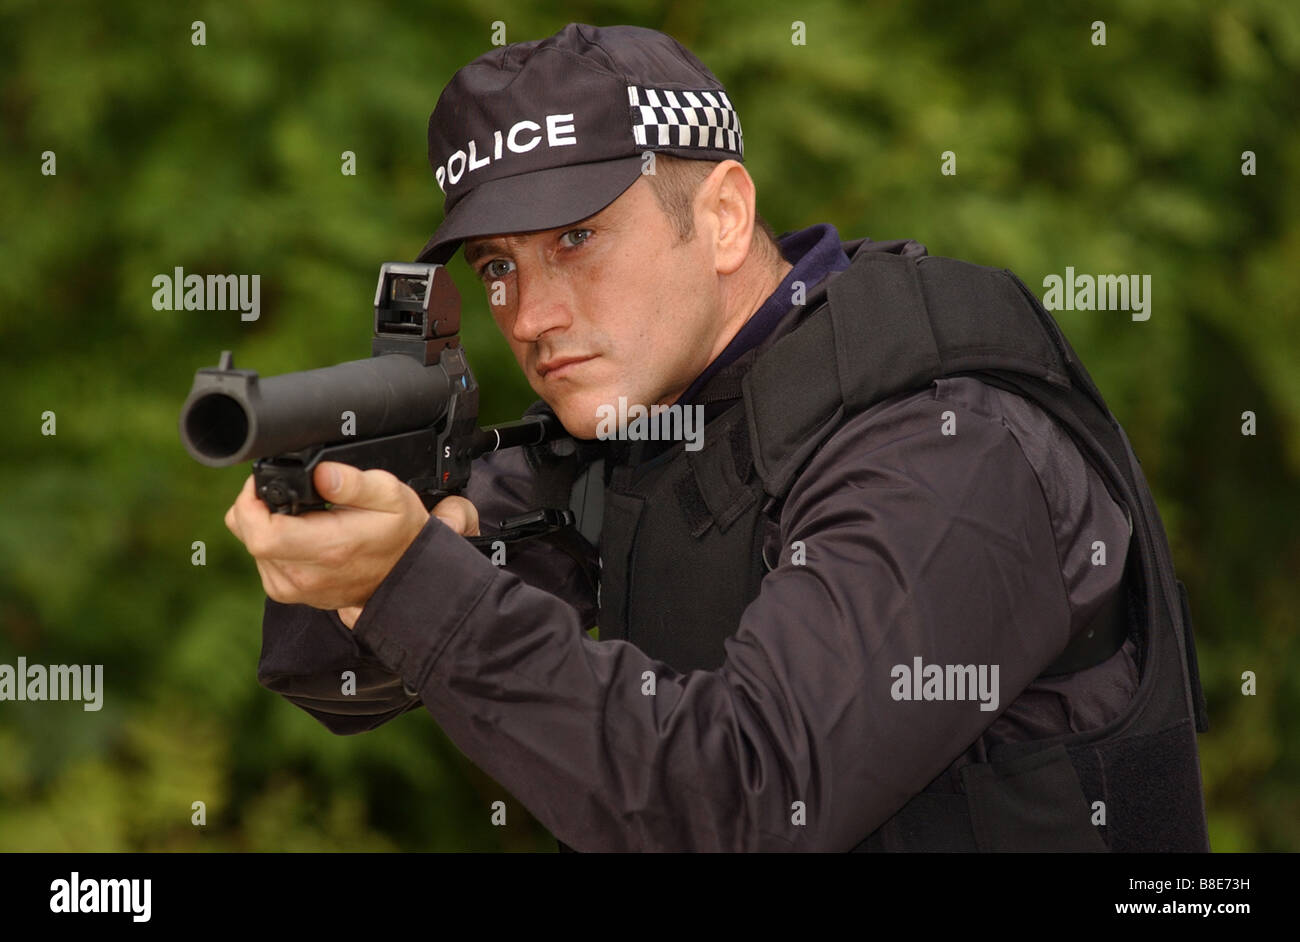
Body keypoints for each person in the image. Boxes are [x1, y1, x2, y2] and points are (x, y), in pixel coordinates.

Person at [226, 23, 1211, 852]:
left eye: (576, 238)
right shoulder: (649, 424)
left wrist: (410, 584)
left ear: (726, 217)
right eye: (496, 268)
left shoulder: (944, 445)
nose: (529, 315)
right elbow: (339, 681)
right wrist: (346, 545)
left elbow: (745, 798)